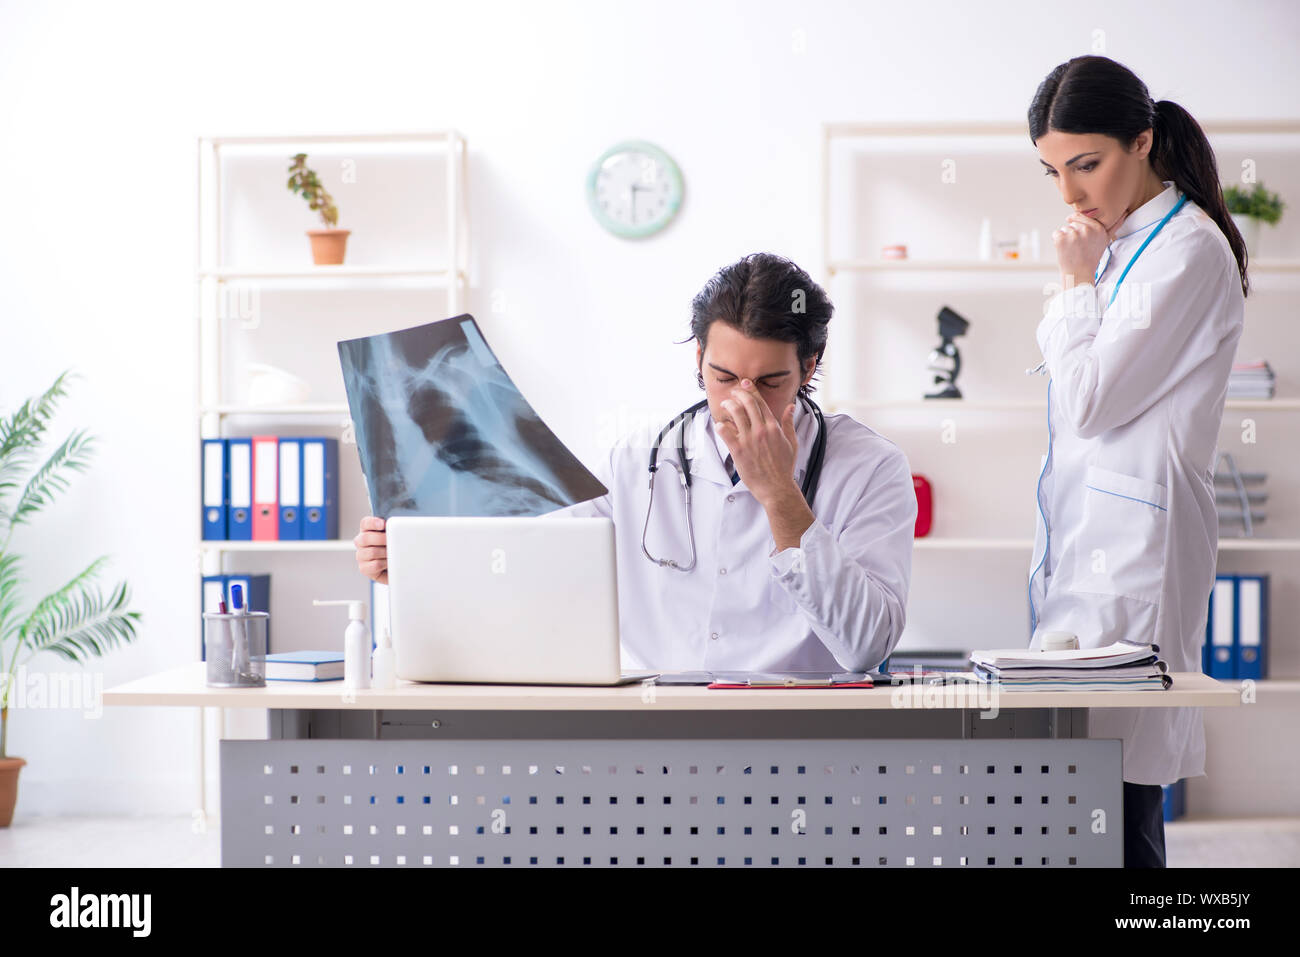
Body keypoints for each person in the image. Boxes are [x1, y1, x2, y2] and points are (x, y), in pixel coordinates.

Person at [356, 252, 917, 674]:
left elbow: (867, 645)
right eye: (723, 377)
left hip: (804, 745)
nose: (741, 400)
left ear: (809, 367)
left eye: (770, 382)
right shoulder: (637, 460)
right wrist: (414, 562)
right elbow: (526, 559)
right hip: (655, 748)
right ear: (698, 359)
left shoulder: (870, 469)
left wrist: (780, 498)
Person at [1026, 56, 1248, 867]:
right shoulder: (1126, 248)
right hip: (1092, 559)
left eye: (1087, 163)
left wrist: (1072, 284)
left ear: (1143, 141)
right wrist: (1083, 282)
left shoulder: (1185, 251)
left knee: (1118, 815)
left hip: (1134, 567)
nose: (1070, 194)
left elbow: (1087, 400)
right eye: (1053, 170)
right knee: (1086, 809)